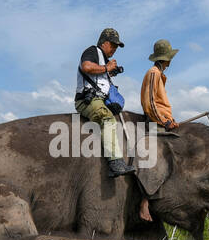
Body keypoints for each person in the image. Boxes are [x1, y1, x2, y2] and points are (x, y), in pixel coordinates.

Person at [76, 27, 135, 177]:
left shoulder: (103, 58)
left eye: (117, 46)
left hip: (100, 100)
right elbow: (86, 66)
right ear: (104, 43)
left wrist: (110, 71)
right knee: (107, 118)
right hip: (87, 100)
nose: (115, 49)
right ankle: (115, 162)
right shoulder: (92, 51)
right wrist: (106, 68)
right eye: (113, 45)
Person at [140, 39, 179, 131]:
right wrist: (164, 122)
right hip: (157, 121)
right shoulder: (154, 73)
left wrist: (170, 119)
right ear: (167, 59)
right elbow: (150, 103)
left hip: (162, 118)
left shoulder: (158, 73)